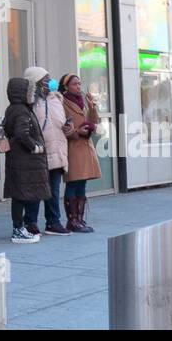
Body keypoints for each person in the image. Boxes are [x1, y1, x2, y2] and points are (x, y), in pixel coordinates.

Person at [2, 75, 49, 244]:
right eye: (30, 90)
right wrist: (35, 147)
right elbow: (22, 134)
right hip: (24, 160)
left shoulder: (13, 108)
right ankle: (18, 229)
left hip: (18, 159)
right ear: (22, 92)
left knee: (19, 194)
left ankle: (19, 228)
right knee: (21, 195)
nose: (33, 94)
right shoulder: (22, 110)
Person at [29, 66, 71, 235]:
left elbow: (61, 123)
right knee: (36, 189)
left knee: (53, 190)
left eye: (49, 77)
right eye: (45, 79)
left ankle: (53, 222)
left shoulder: (56, 99)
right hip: (39, 151)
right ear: (36, 82)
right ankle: (30, 222)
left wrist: (69, 127)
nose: (50, 81)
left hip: (57, 149)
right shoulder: (30, 102)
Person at [59, 72, 101, 231]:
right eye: (75, 84)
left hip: (85, 146)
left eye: (79, 83)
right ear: (66, 86)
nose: (78, 86)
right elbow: (61, 127)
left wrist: (92, 107)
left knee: (82, 184)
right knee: (73, 183)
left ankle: (80, 219)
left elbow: (93, 123)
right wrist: (77, 132)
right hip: (73, 147)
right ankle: (72, 220)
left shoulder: (82, 101)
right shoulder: (62, 102)